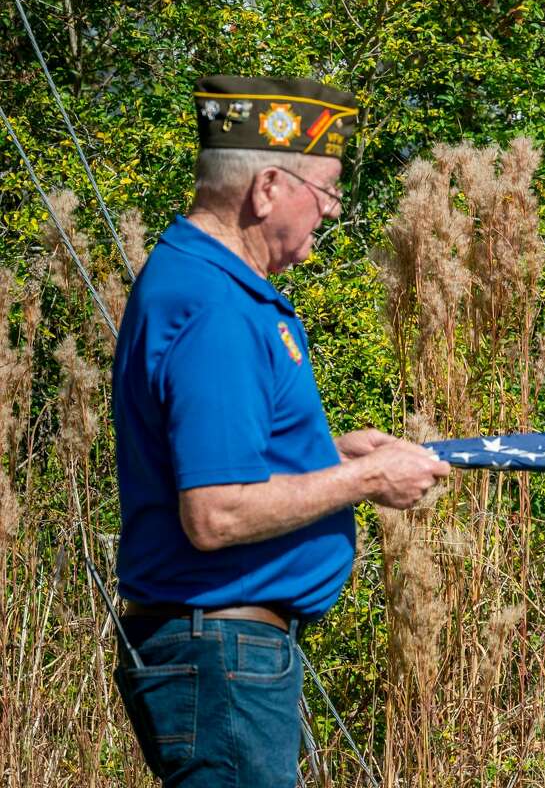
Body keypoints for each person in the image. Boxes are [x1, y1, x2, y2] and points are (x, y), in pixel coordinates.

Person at [111, 75, 449, 787]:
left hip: (220, 653)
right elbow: (216, 510)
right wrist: (366, 479)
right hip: (221, 654)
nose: (328, 214)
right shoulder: (217, 308)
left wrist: (329, 456)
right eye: (325, 193)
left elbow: (227, 459)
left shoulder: (203, 283)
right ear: (267, 188)